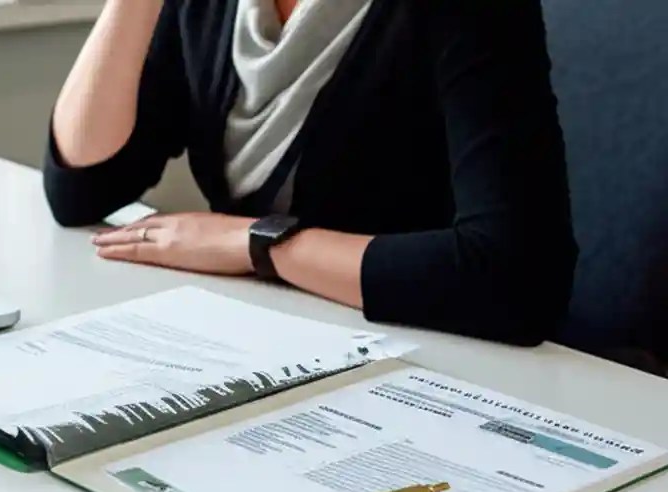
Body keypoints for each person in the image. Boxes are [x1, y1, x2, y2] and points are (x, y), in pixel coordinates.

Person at [44, 0, 577, 346]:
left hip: (424, 356)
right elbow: (82, 188)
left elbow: (519, 279)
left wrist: (257, 245)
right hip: (260, 339)